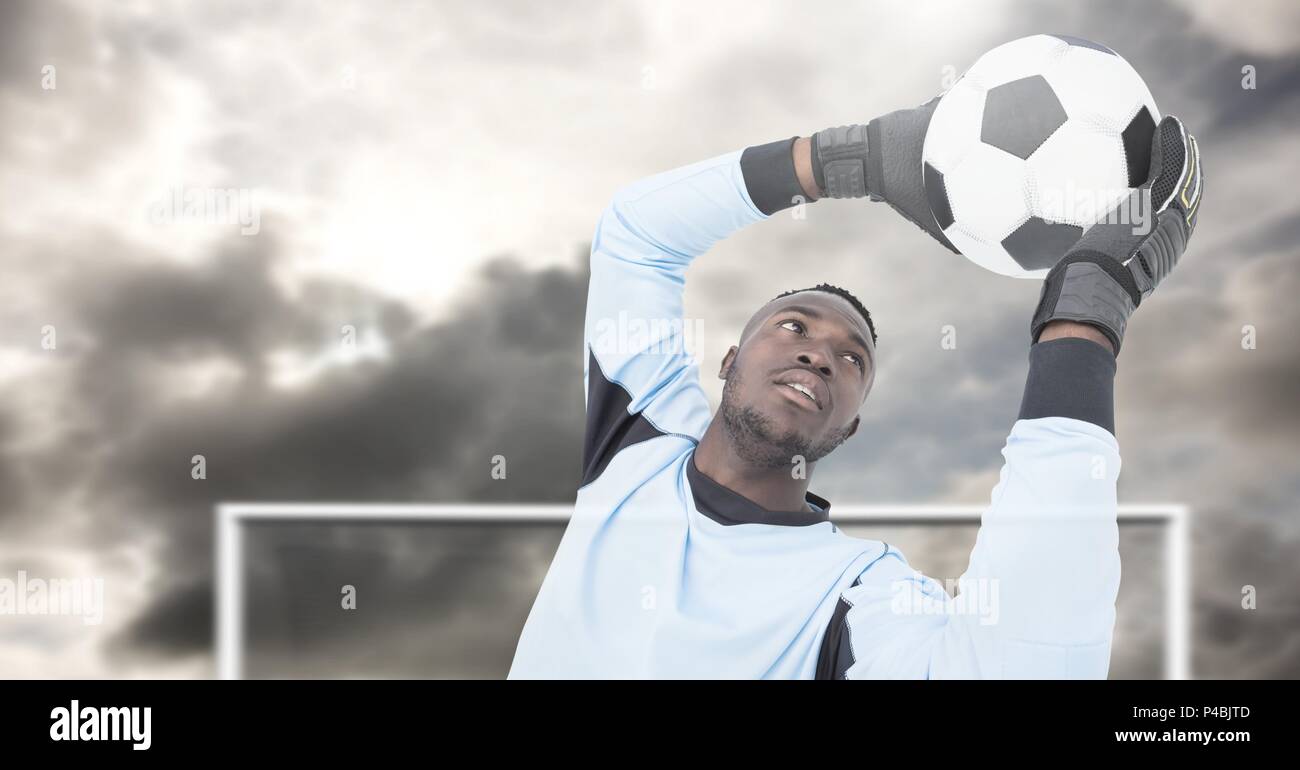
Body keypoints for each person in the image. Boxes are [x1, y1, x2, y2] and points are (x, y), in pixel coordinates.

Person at [508, 89, 1203, 679]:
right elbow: (636, 233)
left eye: (852, 359)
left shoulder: (854, 593)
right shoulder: (638, 446)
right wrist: (850, 160)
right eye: (793, 327)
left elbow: (1023, 665)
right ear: (726, 360)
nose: (819, 355)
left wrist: (1082, 318)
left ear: (851, 426)